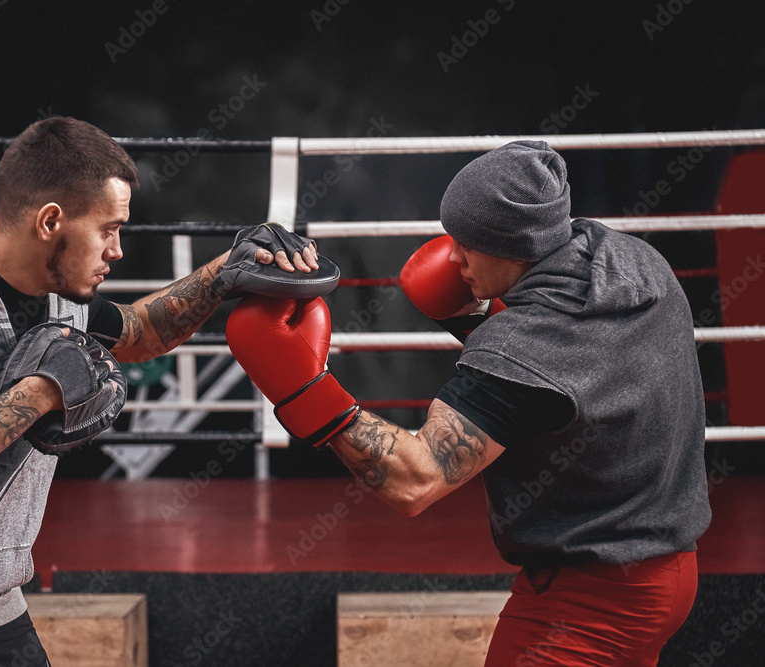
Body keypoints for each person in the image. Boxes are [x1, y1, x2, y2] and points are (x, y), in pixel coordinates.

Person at [0, 116, 321, 665]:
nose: (117, 249)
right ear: (50, 221)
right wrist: (39, 393)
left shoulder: (63, 297)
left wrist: (224, 273)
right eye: (108, 228)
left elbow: (140, 330)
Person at [227, 140, 711, 665]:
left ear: (512, 244)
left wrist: (303, 387)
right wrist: (473, 319)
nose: (452, 256)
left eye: (468, 243)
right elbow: (565, 381)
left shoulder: (523, 345)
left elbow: (416, 481)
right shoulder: (634, 263)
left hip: (588, 603)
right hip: (671, 570)